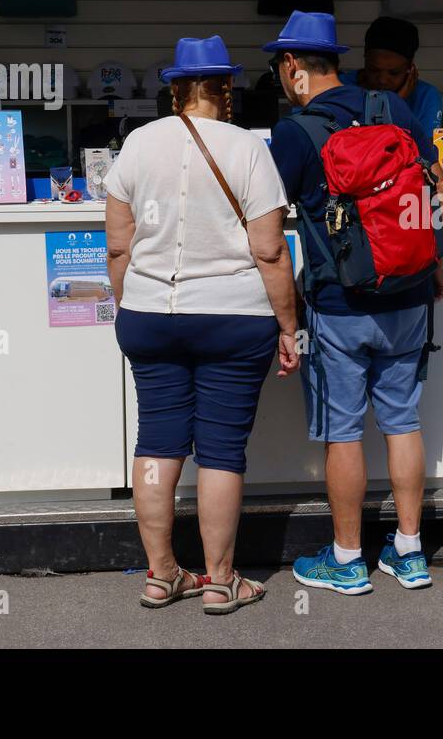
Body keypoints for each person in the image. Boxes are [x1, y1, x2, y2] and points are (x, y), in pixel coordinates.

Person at [104, 35, 300, 615]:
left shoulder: (137, 144)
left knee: (157, 442)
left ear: (174, 90)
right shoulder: (248, 149)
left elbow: (118, 245)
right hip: (233, 319)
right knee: (220, 450)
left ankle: (162, 576)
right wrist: (289, 327)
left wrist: (130, 303)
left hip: (149, 314)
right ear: (226, 90)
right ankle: (220, 581)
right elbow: (269, 251)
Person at [266, 10, 443, 594]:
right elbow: (436, 185)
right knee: (403, 421)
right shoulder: (391, 107)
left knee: (343, 432)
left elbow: (266, 224)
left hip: (339, 304)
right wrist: (433, 260)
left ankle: (348, 560)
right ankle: (410, 552)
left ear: (293, 66)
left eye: (279, 67)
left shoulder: (294, 132)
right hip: (409, 294)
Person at [340, 16, 443, 140]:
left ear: (410, 68)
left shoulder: (425, 96)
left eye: (394, 72)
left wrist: (395, 105)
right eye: (374, 70)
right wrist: (394, 103)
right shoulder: (342, 87)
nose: (382, 79)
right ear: (365, 59)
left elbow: (425, 152)